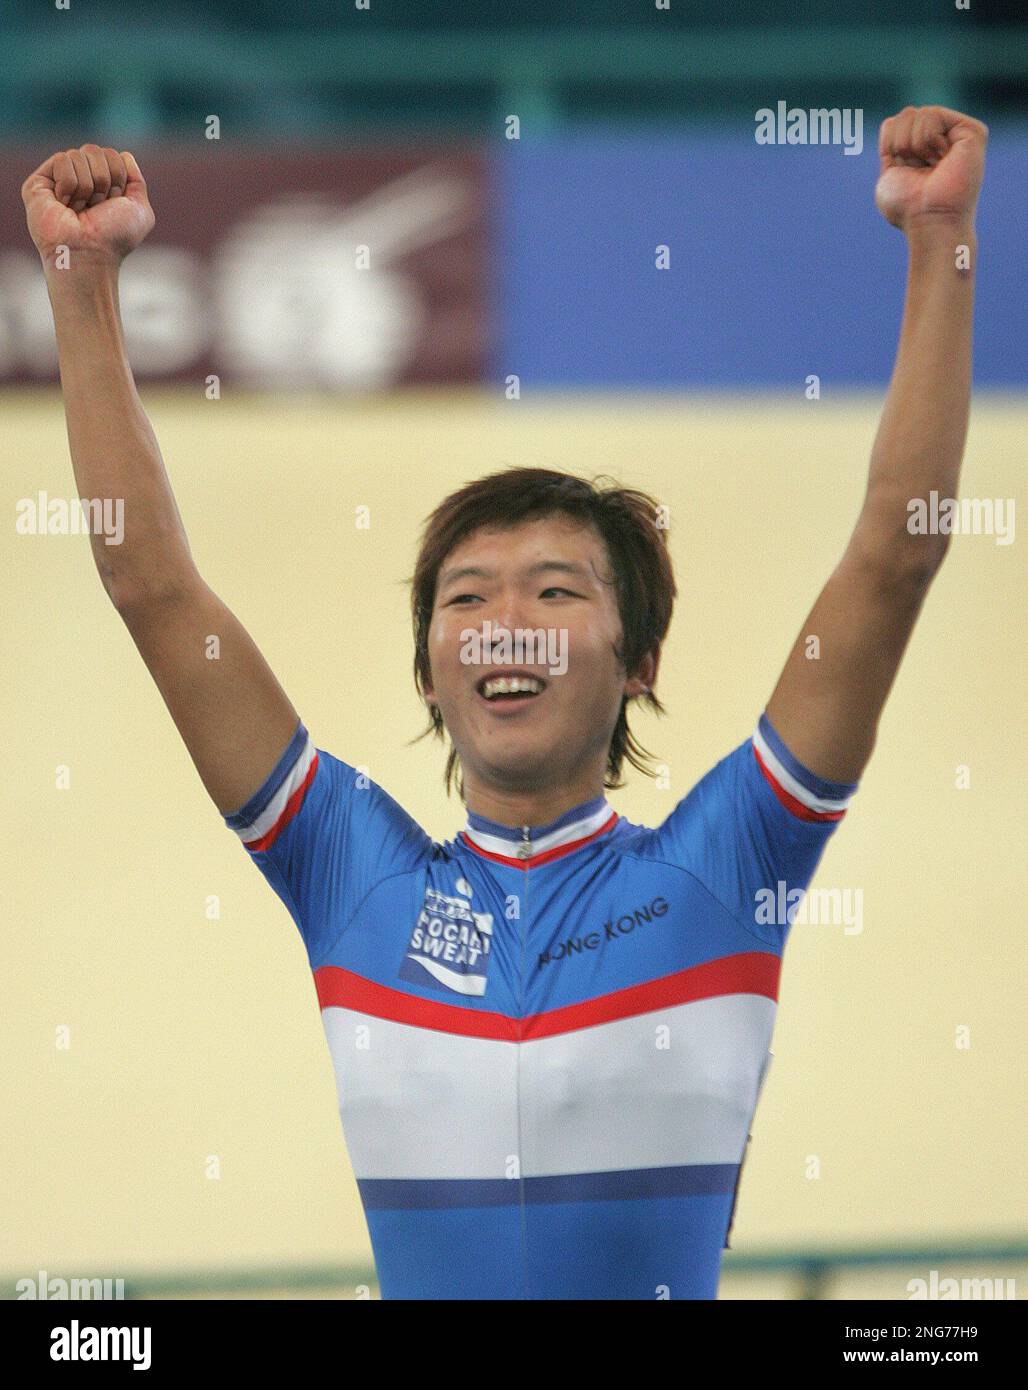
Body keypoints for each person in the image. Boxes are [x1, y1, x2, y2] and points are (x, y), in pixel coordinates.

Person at [22, 106, 987, 1299]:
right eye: (466, 598)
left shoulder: (728, 860)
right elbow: (151, 585)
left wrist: (939, 236)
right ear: (430, 669)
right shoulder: (346, 870)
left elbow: (894, 555)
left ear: (639, 660)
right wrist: (79, 282)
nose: (506, 623)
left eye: (553, 590)